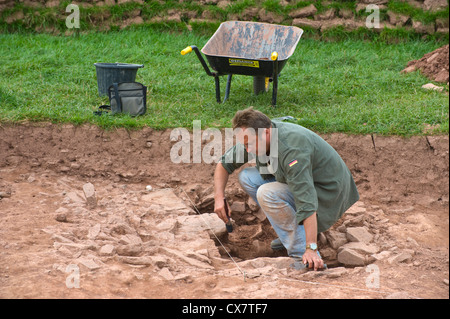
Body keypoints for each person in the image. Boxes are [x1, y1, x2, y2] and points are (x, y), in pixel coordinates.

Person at [213, 107, 359, 270]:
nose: (248, 150)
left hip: (327, 193)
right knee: (247, 177)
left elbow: (307, 200)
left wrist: (311, 248)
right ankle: (293, 233)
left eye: (250, 144)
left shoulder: (291, 149)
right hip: (303, 182)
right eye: (244, 144)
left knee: (266, 193)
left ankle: (303, 257)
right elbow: (224, 164)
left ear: (267, 133)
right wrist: (219, 198)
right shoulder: (257, 135)